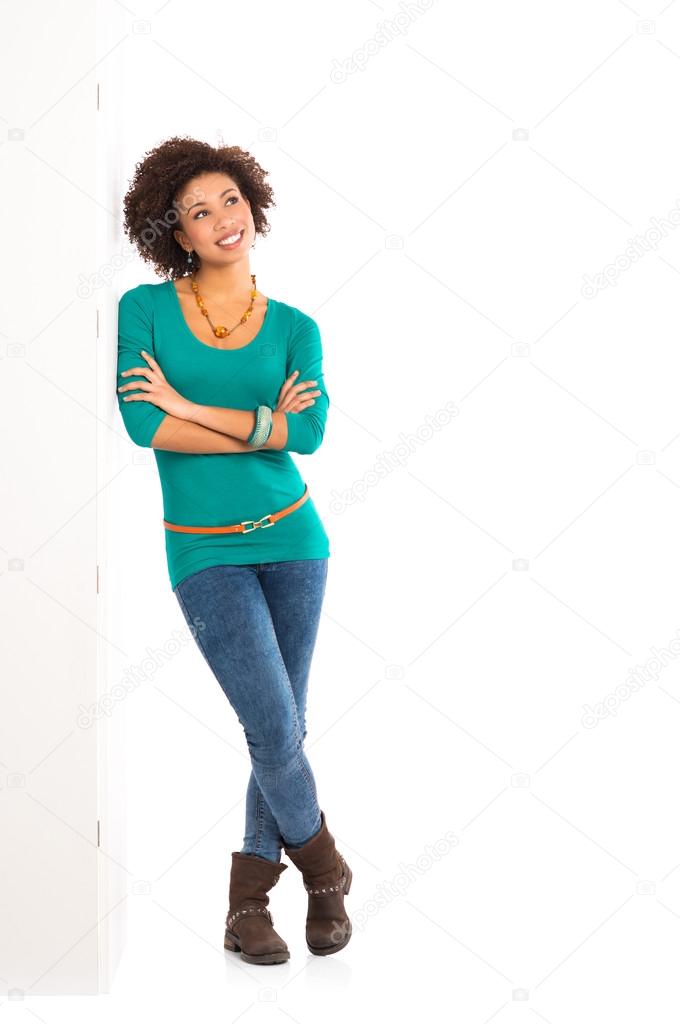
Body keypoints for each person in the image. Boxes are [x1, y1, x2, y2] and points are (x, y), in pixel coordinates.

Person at [116, 136, 352, 964]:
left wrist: (194, 405)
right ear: (176, 234)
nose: (222, 220)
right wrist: (261, 427)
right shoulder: (142, 311)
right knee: (273, 725)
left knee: (277, 728)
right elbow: (145, 426)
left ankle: (247, 907)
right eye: (198, 212)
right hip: (203, 553)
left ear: (253, 202)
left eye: (230, 200)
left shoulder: (296, 328)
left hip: (296, 540)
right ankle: (326, 870)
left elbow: (311, 433)